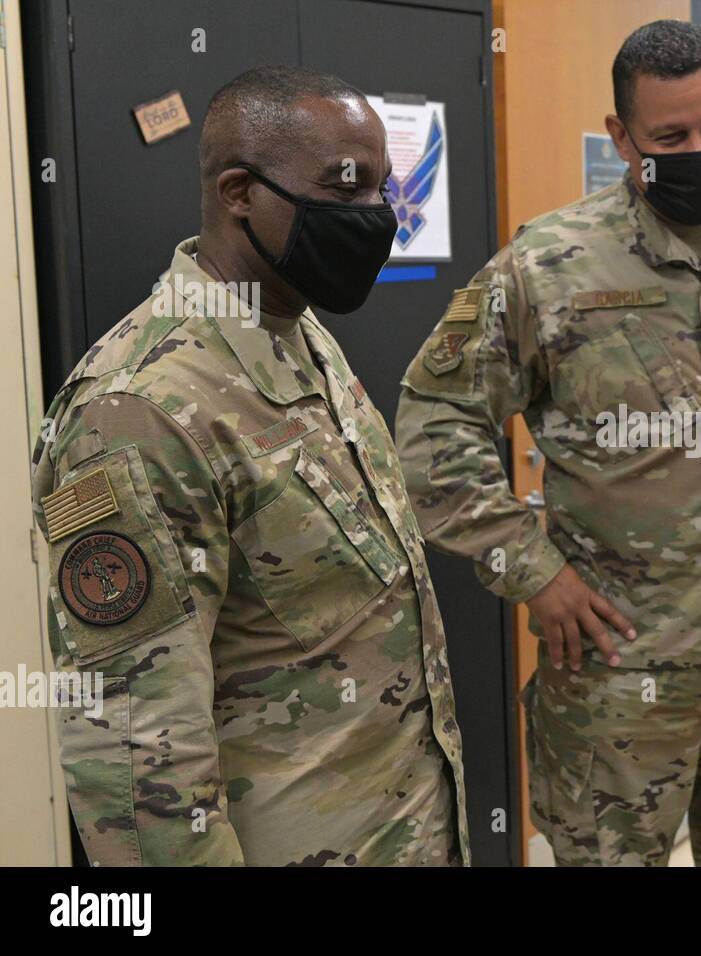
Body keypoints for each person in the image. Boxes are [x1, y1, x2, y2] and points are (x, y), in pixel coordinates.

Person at [395, 19, 701, 866]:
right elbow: (433, 423)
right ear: (623, 138)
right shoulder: (551, 264)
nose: (699, 150)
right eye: (670, 137)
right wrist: (533, 571)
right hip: (619, 665)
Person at [31, 66, 468, 866]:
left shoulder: (296, 332)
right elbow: (134, 767)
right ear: (239, 191)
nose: (377, 217)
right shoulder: (136, 412)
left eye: (381, 188)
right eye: (347, 189)